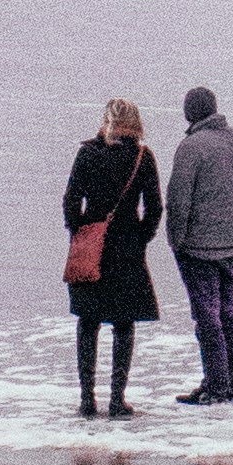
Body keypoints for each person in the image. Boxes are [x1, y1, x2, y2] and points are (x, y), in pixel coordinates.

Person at [62, 98, 161, 420]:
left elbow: (71, 199)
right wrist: (141, 237)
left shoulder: (88, 152)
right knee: (123, 323)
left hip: (92, 245)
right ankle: (118, 400)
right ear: (136, 122)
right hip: (127, 246)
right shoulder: (143, 157)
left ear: (106, 120)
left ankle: (86, 400)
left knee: (88, 322)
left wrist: (80, 233)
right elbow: (155, 208)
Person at [165, 83, 233, 405]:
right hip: (232, 242)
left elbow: (178, 201)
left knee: (207, 316)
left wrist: (176, 239)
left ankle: (216, 385)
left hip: (198, 245)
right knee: (229, 311)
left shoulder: (191, 147)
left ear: (190, 112)